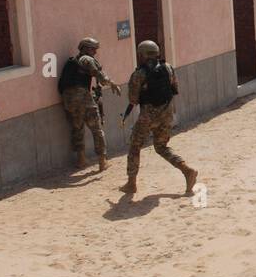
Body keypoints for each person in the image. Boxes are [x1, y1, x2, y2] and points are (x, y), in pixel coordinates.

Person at [120, 40, 198, 196]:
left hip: (148, 116)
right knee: (161, 147)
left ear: (143, 55)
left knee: (135, 146)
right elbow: (175, 88)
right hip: (167, 113)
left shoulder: (139, 74)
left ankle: (131, 183)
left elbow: (133, 99)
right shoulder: (168, 68)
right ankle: (187, 170)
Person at [58, 37, 121, 170]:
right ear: (85, 49)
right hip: (83, 98)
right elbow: (98, 74)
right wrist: (112, 83)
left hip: (68, 100)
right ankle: (102, 162)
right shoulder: (86, 59)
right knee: (96, 129)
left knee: (77, 128)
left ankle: (81, 160)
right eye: (93, 49)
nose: (95, 52)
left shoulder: (72, 62)